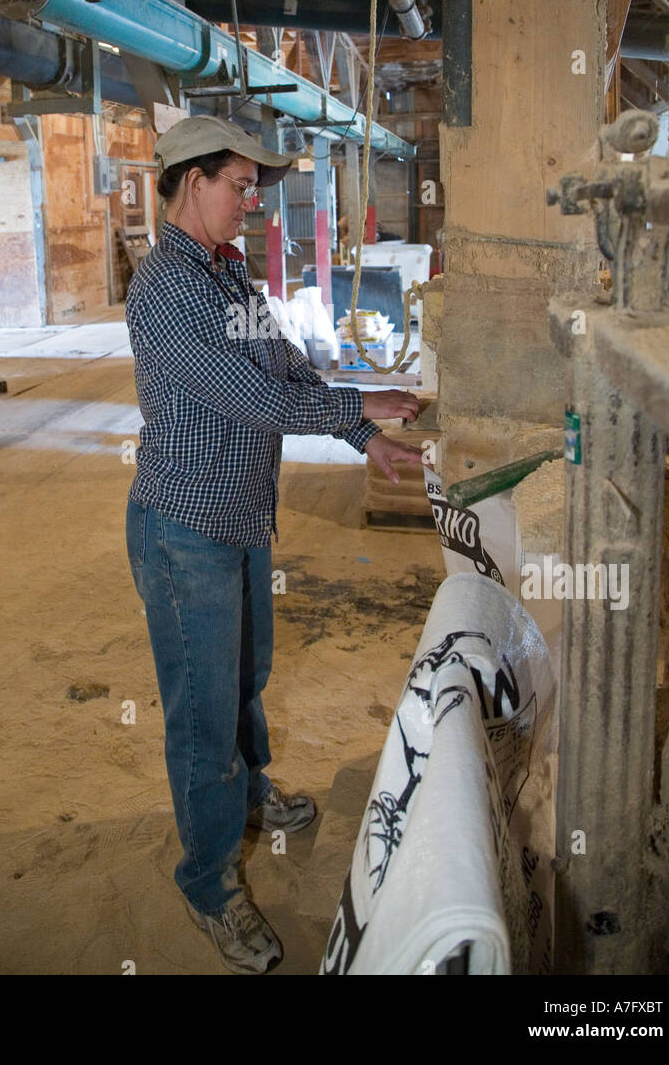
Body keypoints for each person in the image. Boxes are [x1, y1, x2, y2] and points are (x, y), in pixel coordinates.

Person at [124, 114, 422, 975]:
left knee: (245, 680)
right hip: (184, 531)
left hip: (240, 521)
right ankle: (210, 882)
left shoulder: (228, 276)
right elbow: (254, 402)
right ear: (191, 181)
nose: (252, 203)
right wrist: (354, 414)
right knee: (204, 714)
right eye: (240, 185)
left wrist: (366, 418)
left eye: (255, 188)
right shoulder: (166, 289)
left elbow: (287, 369)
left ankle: (249, 796)